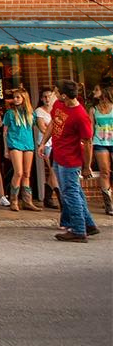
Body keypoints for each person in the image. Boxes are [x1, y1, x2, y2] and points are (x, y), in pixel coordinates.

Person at [46, 80, 98, 242]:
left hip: (71, 160)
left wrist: (87, 166)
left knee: (70, 194)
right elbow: (54, 124)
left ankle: (78, 230)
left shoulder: (80, 115)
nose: (53, 94)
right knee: (75, 192)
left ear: (64, 95)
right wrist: (42, 143)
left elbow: (88, 143)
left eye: (55, 92)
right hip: (59, 155)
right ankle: (88, 224)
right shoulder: (59, 106)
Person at [3, 88, 40, 212]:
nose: (15, 99)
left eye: (18, 97)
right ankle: (14, 200)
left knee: (26, 173)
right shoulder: (10, 113)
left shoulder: (31, 114)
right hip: (15, 143)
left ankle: (27, 201)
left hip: (28, 144)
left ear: (24, 98)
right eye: (14, 97)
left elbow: (40, 126)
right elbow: (5, 132)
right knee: (18, 172)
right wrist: (6, 149)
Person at [88, 79, 113, 216]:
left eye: (96, 89)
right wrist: (89, 148)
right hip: (100, 142)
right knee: (105, 172)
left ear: (104, 92)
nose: (94, 92)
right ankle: (109, 204)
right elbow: (91, 130)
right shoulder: (93, 109)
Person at [36, 87, 60, 209]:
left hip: (57, 144)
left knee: (54, 172)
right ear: (41, 99)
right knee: (53, 170)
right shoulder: (39, 111)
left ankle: (47, 198)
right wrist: (56, 131)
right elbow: (43, 128)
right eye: (44, 97)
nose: (47, 99)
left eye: (49, 96)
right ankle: (62, 201)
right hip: (46, 144)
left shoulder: (57, 110)